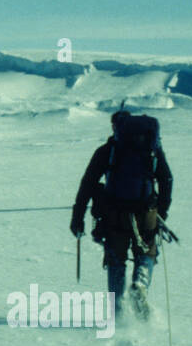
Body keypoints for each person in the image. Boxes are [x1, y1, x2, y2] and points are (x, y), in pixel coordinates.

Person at [69, 110, 173, 316]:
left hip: (114, 214)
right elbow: (166, 179)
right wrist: (161, 210)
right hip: (146, 212)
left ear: (115, 127)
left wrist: (78, 216)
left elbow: (88, 184)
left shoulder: (107, 151)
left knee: (116, 258)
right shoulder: (152, 149)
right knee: (147, 252)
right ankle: (140, 284)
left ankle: (116, 309)